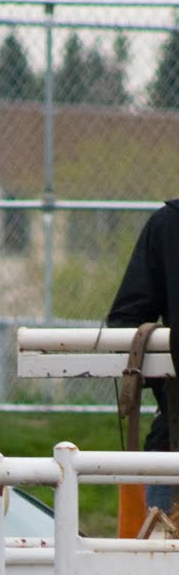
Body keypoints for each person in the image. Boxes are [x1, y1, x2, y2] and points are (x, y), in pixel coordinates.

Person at [107, 204, 179, 513]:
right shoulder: (170, 225)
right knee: (161, 557)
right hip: (173, 441)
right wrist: (169, 392)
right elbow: (126, 322)